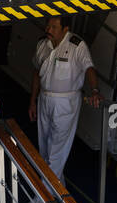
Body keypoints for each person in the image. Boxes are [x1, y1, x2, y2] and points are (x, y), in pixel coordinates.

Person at [28, 17, 101, 182]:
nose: (49, 29)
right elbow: (36, 73)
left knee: (57, 148)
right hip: (44, 99)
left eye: (54, 27)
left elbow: (88, 67)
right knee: (44, 146)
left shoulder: (76, 45)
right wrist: (33, 101)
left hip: (66, 101)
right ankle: (58, 185)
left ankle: (45, 192)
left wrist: (95, 90)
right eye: (48, 25)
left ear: (65, 29)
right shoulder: (42, 44)